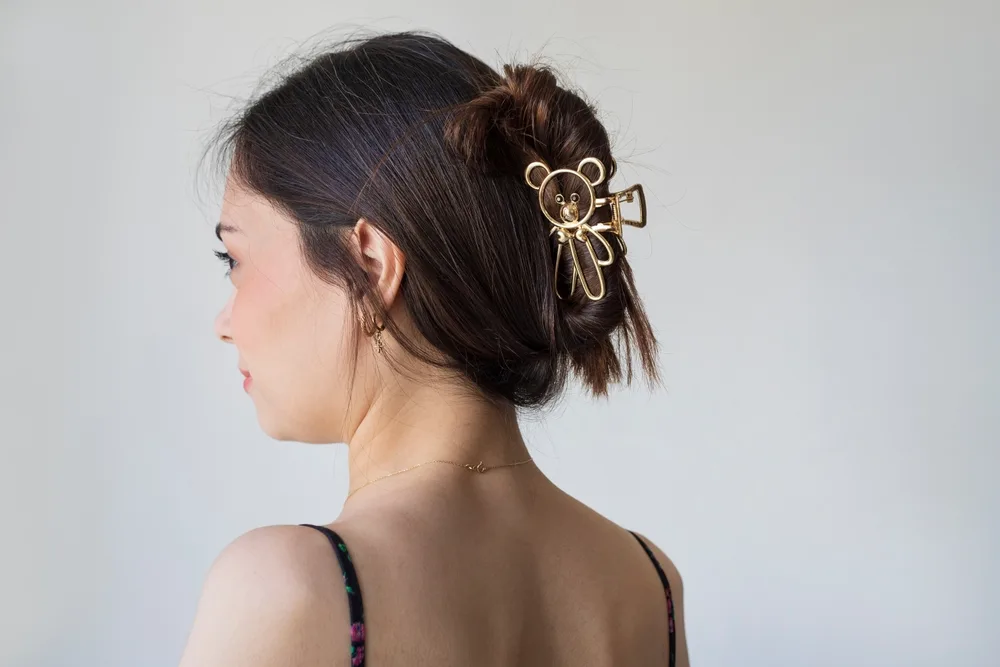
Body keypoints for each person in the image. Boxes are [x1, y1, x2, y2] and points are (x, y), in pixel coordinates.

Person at [180, 30, 689, 667]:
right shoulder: (649, 586)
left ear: (369, 264)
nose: (224, 322)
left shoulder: (291, 588)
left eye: (236, 257)